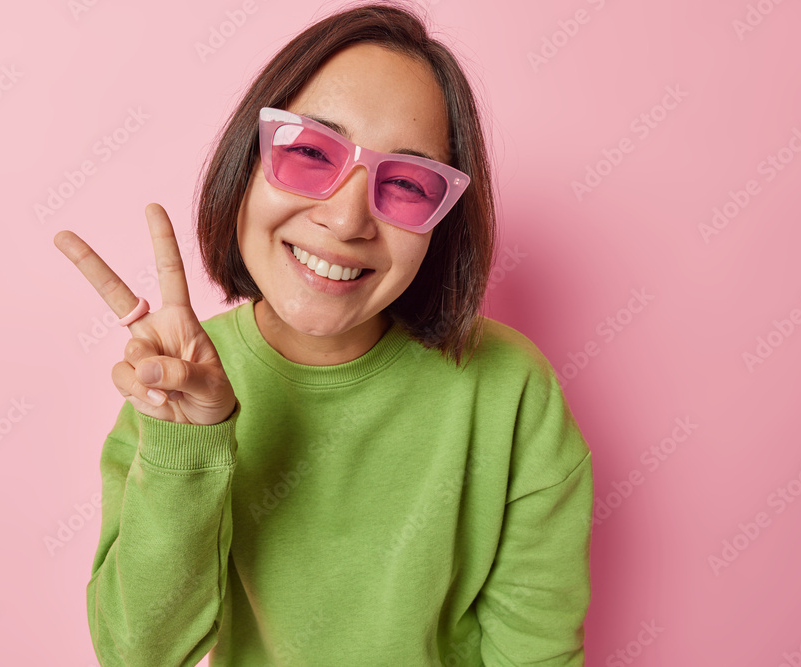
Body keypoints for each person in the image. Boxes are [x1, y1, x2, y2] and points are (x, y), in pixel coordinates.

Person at [54, 2, 594, 665]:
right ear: (245, 162)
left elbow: (536, 652)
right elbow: (138, 652)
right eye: (310, 151)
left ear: (439, 224)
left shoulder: (512, 390)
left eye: (408, 183)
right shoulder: (174, 387)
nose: (346, 220)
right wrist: (186, 443)